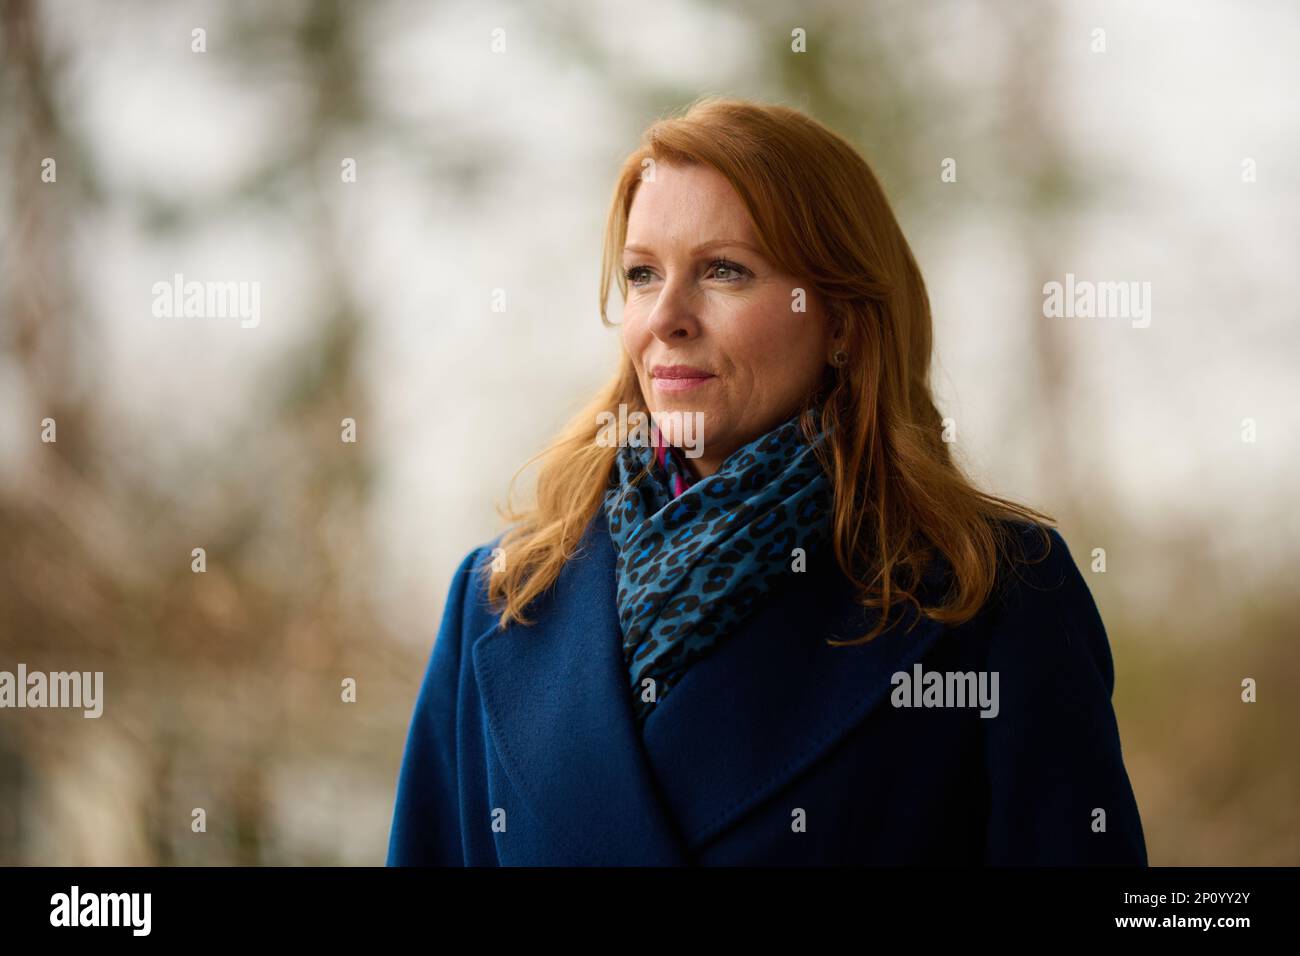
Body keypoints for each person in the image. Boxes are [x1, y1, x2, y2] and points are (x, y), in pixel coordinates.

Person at [386, 96, 1147, 866]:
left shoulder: (990, 594)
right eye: (643, 275)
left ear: (844, 321)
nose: (667, 317)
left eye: (724, 271)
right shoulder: (503, 601)